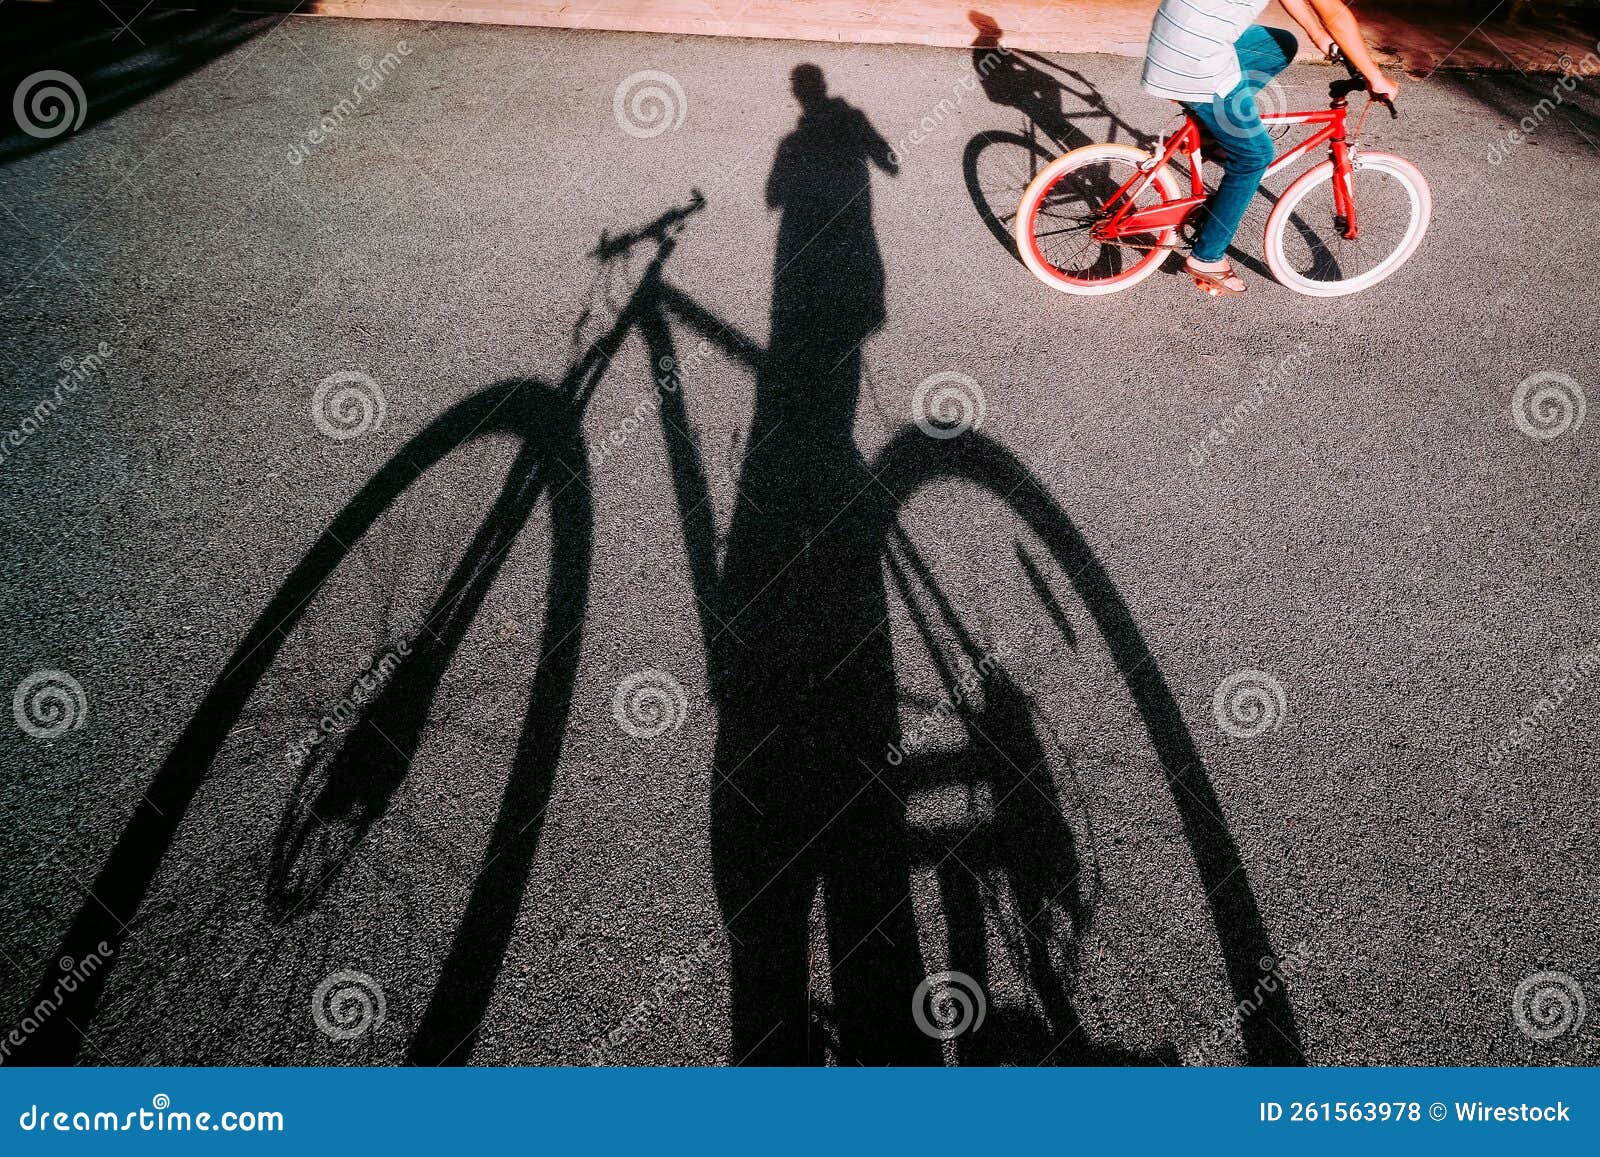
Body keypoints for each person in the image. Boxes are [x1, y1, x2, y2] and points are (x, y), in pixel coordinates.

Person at [1142, 0, 1399, 296]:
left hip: (1173, 42)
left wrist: (1318, 36)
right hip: (1194, 60)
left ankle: (1210, 128)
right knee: (1255, 156)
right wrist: (1375, 77)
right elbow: (1335, 13)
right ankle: (1207, 258)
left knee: (1280, 44)